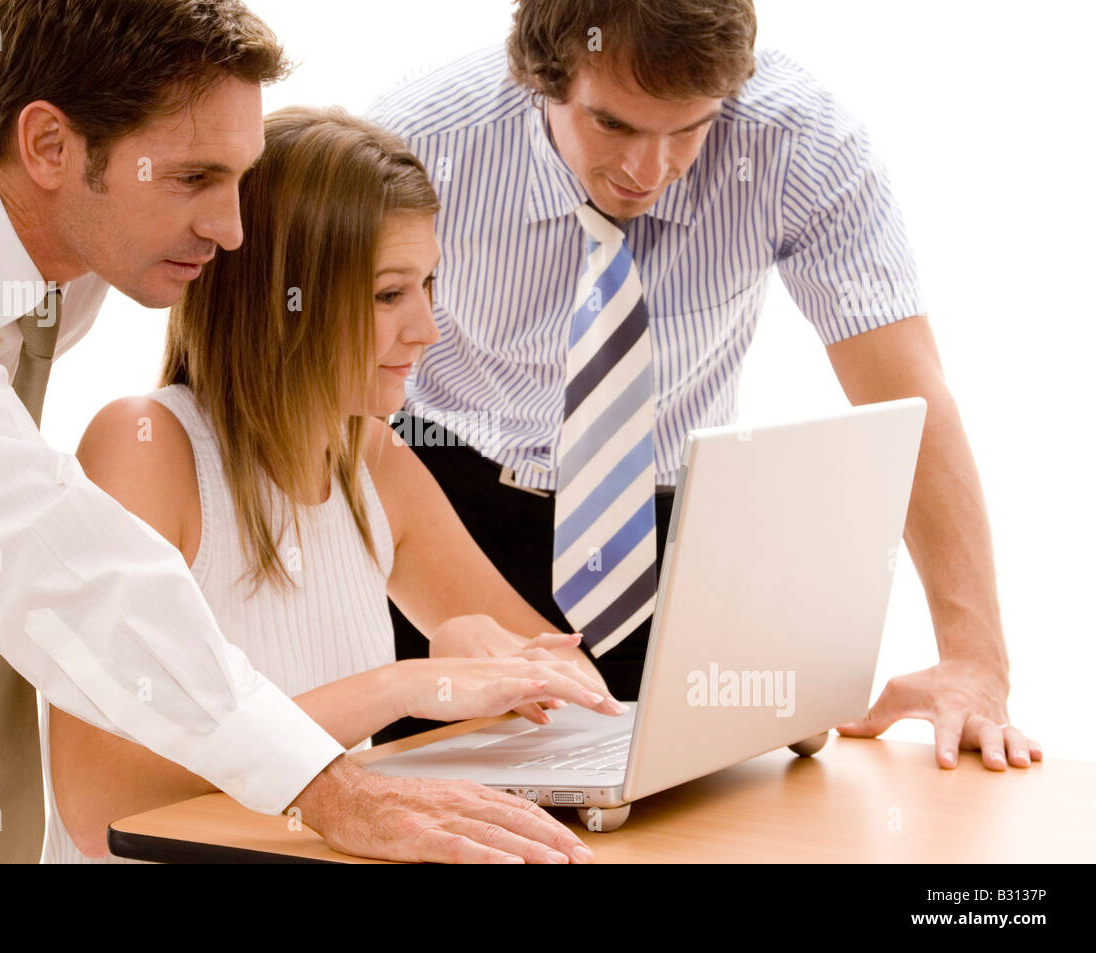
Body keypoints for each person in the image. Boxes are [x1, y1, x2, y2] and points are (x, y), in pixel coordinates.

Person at [0, 0, 594, 864]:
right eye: (192, 179)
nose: (232, 231)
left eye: (239, 180)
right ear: (49, 146)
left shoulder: (63, 261)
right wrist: (326, 781)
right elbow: (54, 557)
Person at [364, 0, 1042, 771]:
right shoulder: (421, 139)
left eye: (687, 128)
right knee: (458, 808)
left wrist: (974, 659)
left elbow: (907, 395)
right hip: (447, 509)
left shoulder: (798, 142)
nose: (645, 172)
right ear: (542, 77)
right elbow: (324, 388)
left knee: (712, 805)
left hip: (668, 530)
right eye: (612, 124)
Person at [43, 105, 628, 862]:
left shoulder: (373, 462)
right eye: (389, 295)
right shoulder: (145, 449)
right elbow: (104, 804)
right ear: (279, 300)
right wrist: (403, 686)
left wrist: (476, 649)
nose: (426, 329)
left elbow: (588, 691)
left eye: (427, 285)